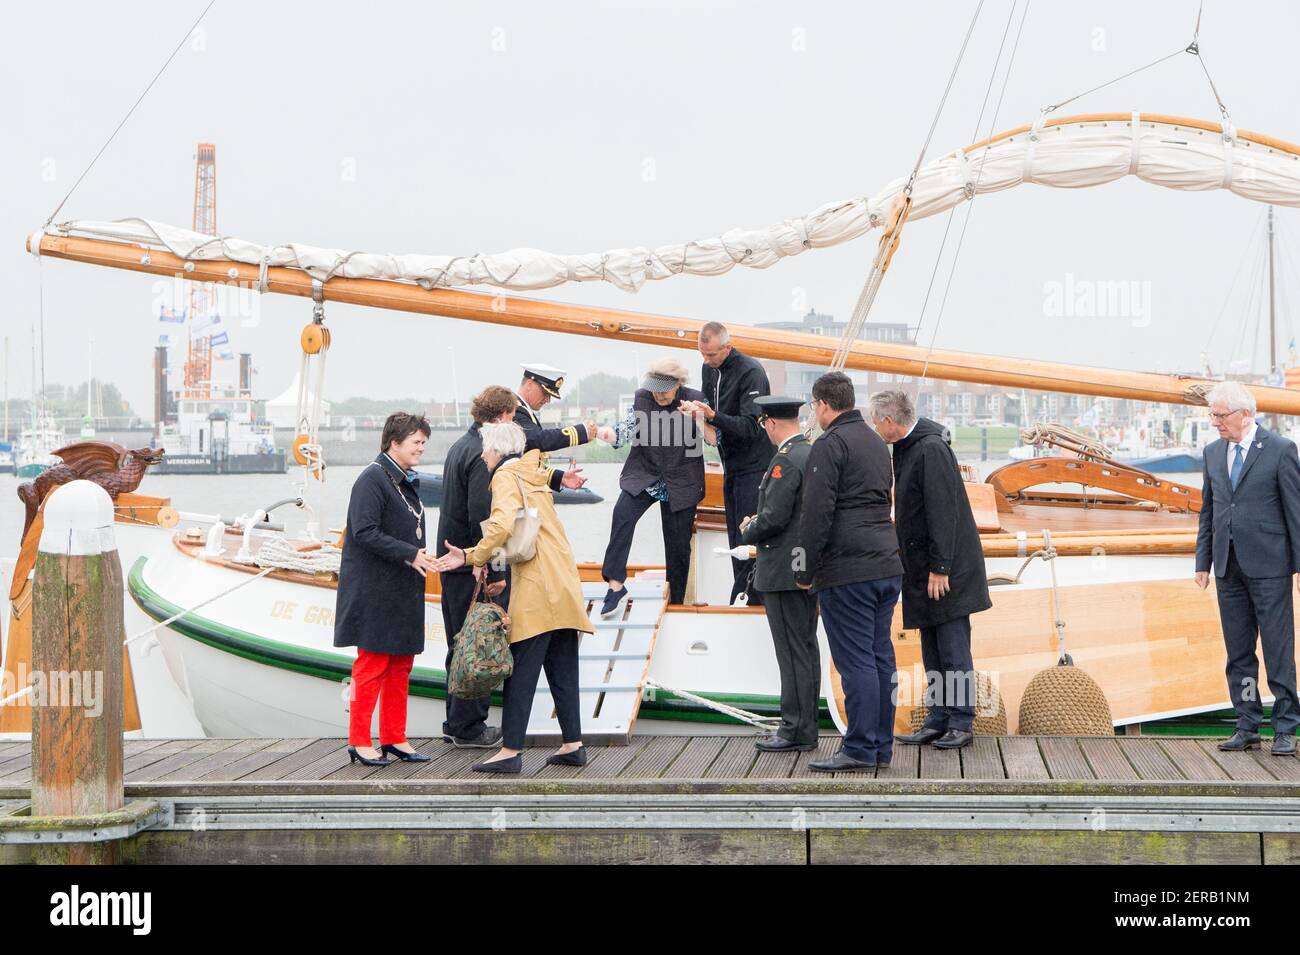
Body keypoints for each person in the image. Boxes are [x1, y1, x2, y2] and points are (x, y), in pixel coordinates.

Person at [433, 422, 593, 773]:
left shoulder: (505, 475)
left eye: (486, 452)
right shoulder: (532, 470)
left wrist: (471, 555)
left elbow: (503, 525)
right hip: (563, 579)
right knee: (562, 665)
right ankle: (573, 743)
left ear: (492, 450)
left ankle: (510, 750)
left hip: (536, 586)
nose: (484, 459)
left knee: (519, 667)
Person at [871, 390, 991, 751]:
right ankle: (938, 717)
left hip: (945, 571)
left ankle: (960, 720)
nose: (874, 427)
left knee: (953, 646)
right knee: (933, 646)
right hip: (923, 570)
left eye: (875, 421)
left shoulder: (930, 450)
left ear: (890, 421)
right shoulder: (909, 448)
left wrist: (941, 568)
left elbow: (944, 512)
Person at [797, 372, 904, 773]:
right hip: (885, 563)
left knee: (856, 660)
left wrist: (804, 569)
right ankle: (880, 746)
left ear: (824, 405)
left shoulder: (830, 444)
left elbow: (816, 515)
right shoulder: (878, 442)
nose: (814, 413)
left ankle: (859, 747)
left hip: (848, 569)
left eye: (814, 406)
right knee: (880, 657)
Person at [1195, 380, 1300, 755]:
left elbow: (1295, 512)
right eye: (1213, 415)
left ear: (1245, 414)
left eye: (1220, 416)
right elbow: (1209, 511)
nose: (1215, 423)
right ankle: (1247, 723)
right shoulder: (1211, 453)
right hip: (1228, 567)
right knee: (1239, 652)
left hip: (1270, 566)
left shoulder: (1281, 450)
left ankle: (1286, 726)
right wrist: (1203, 561)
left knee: (1277, 649)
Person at [333, 412, 437, 767]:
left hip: (403, 585)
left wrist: (419, 556)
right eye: (416, 442)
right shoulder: (372, 479)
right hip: (374, 589)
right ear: (394, 442)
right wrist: (410, 553)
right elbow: (363, 531)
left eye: (424, 442)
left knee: (401, 663)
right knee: (372, 663)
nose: (421, 447)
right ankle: (360, 740)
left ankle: (395, 737)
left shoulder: (403, 479)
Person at [435, 385, 516, 749]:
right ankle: (470, 728)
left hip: (452, 562)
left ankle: (455, 721)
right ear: (500, 417)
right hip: (471, 564)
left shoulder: (458, 447)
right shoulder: (484, 455)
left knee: (459, 643)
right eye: (512, 416)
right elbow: (482, 518)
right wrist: (493, 570)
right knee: (479, 644)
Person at [598, 358, 707, 616]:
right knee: (622, 516)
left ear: (679, 384)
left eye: (664, 390)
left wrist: (700, 417)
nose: (658, 395)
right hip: (645, 474)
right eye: (654, 389)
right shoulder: (641, 398)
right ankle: (615, 584)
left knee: (678, 546)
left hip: (681, 479)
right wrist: (608, 435)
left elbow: (713, 437)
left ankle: (676, 602)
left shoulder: (694, 399)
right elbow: (624, 431)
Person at [741, 396, 818, 752]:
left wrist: (749, 527)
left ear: (770, 423)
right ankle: (805, 726)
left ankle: (794, 729)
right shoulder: (811, 453)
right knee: (806, 648)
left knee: (790, 652)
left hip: (783, 571)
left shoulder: (785, 461)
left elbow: (773, 517)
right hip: (805, 567)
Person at [677, 322, 771, 606]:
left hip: (755, 465)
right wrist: (699, 415)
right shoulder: (709, 370)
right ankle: (742, 594)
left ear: (727, 348)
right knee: (735, 535)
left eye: (712, 355)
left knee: (748, 534)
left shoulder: (751, 372)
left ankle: (751, 598)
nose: (706, 361)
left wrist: (712, 416)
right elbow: (713, 416)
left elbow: (752, 427)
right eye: (703, 355)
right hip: (731, 465)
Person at [514, 362, 614, 455]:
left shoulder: (522, 409)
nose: (547, 400)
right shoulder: (514, 410)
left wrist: (561, 475)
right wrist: (582, 431)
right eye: (545, 393)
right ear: (529, 384)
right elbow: (537, 440)